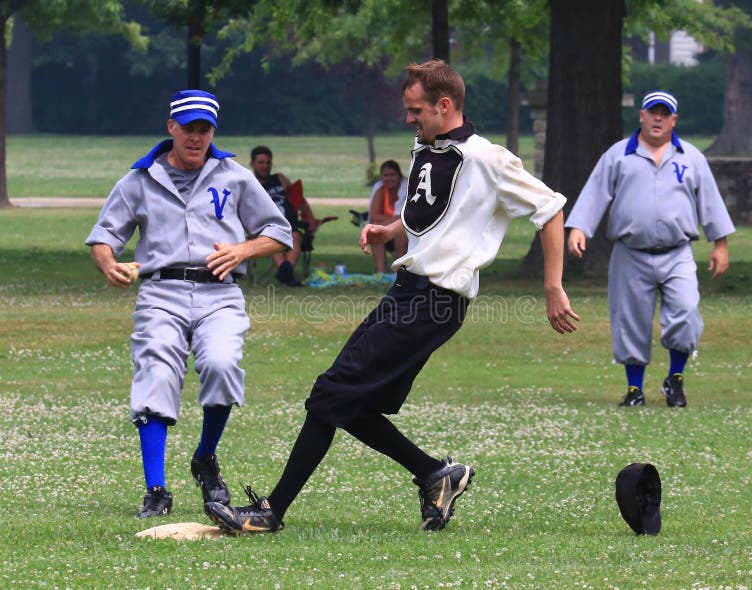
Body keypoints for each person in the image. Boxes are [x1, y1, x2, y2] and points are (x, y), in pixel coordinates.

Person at [204, 59, 579, 535]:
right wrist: (390, 228)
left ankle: (270, 512)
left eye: (416, 109)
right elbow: (430, 211)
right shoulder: (426, 147)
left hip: (435, 302)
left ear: (445, 106)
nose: (408, 119)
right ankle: (435, 474)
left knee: (329, 396)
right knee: (348, 403)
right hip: (405, 293)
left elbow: (551, 210)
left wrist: (552, 287)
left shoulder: (489, 159)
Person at [85, 90, 293, 518]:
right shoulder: (140, 180)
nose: (196, 137)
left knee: (220, 365)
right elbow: (104, 235)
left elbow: (279, 231)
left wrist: (242, 251)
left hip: (219, 292)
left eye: (205, 129)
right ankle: (156, 490)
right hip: (161, 293)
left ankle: (205, 457)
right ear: (171, 128)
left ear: (213, 131)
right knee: (156, 372)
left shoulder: (233, 176)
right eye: (189, 128)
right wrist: (110, 266)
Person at [565, 90, 735, 408]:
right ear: (641, 116)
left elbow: (710, 202)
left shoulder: (691, 158)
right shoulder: (618, 156)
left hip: (678, 252)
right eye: (652, 112)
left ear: (674, 120)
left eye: (664, 113)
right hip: (630, 252)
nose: (658, 118)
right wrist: (578, 228)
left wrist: (720, 244)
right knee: (630, 320)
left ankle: (675, 380)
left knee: (685, 312)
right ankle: (634, 389)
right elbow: (594, 193)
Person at [250, 145, 320, 286]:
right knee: (274, 238)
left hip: (290, 226)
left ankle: (285, 272)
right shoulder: (250, 184)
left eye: (268, 162)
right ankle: (287, 275)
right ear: (252, 164)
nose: (265, 166)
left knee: (294, 235)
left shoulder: (280, 178)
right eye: (261, 162)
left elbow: (301, 202)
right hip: (266, 228)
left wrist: (311, 219)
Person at [367, 159, 409, 273]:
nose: (389, 178)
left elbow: (404, 217)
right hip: (386, 229)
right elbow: (374, 217)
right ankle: (381, 273)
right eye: (385, 175)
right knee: (374, 231)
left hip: (407, 231)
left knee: (400, 231)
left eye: (392, 175)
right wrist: (390, 222)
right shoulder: (380, 190)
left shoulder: (407, 188)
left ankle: (399, 273)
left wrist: (387, 223)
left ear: (399, 175)